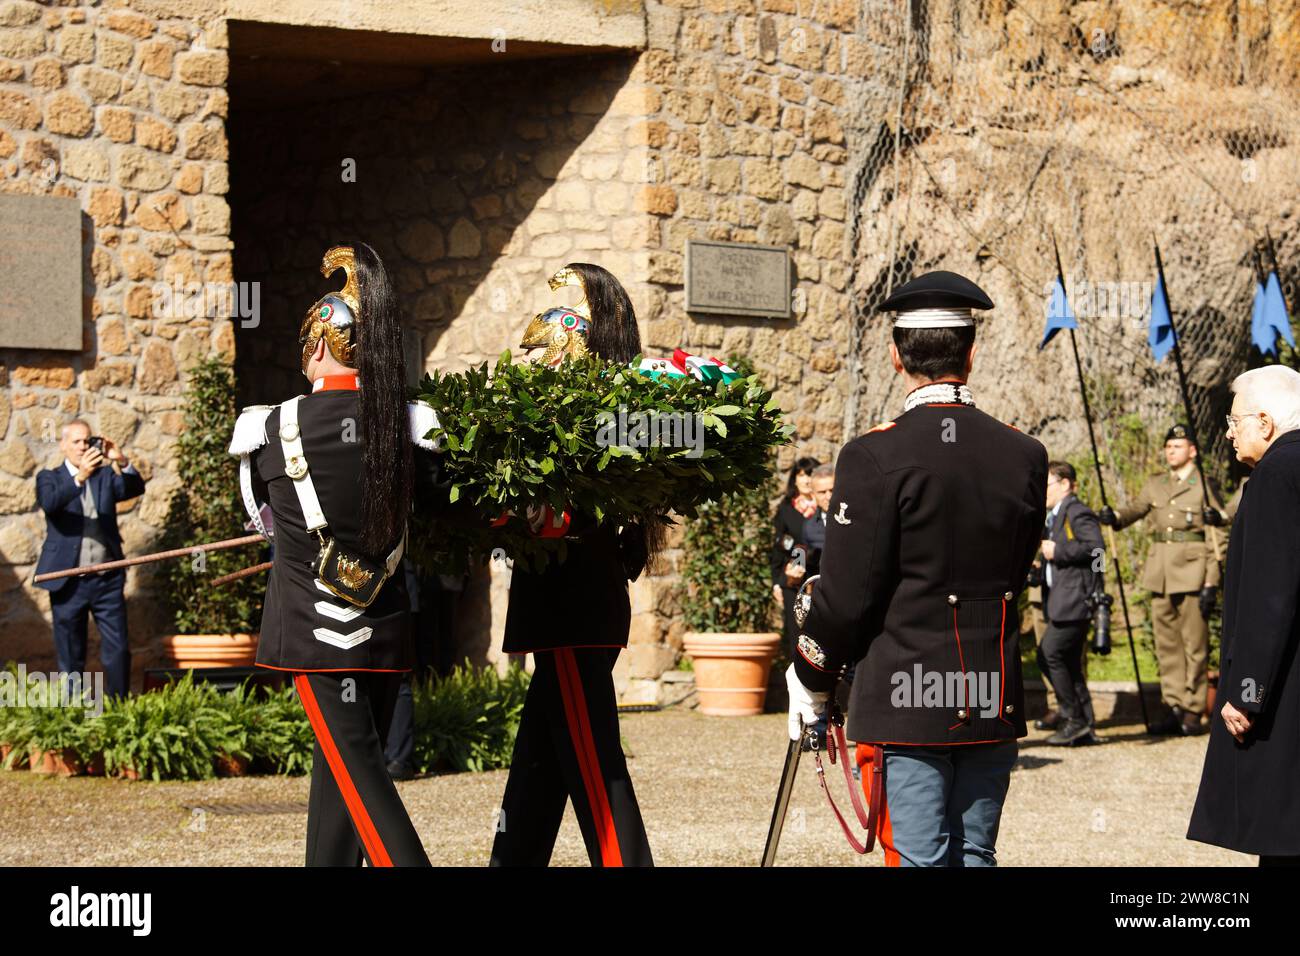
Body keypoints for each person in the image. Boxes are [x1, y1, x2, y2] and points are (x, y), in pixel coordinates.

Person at [786, 270, 1047, 867]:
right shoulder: (1024, 455)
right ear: (972, 353)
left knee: (920, 859)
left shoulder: (874, 454)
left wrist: (811, 677)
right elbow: (1017, 564)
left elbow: (848, 597)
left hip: (907, 697)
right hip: (989, 691)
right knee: (975, 855)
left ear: (896, 356)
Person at [228, 243, 436, 867]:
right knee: (338, 789)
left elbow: (265, 520)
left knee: (361, 782)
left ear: (317, 345)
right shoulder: (413, 426)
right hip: (383, 627)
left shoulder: (266, 430)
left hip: (315, 635)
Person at [489, 263, 654, 867]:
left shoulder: (602, 416)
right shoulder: (567, 409)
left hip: (574, 611)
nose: (548, 335)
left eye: (566, 318)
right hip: (560, 611)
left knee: (592, 761)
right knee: (538, 763)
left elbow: (570, 512)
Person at [1188, 365, 1300, 864]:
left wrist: (1246, 693)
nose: (1229, 432)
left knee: (1281, 831)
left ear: (1265, 421)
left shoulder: (1276, 474)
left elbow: (1269, 595)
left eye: (1234, 421)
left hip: (1284, 689)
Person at [1099, 424, 1227, 735]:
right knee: (1167, 645)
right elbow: (1136, 510)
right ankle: (1174, 704)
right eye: (1168, 447)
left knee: (1195, 646)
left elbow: (1217, 534)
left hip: (1194, 573)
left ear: (1192, 451)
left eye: (1177, 446)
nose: (1171, 451)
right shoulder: (1156, 484)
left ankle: (1195, 710)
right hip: (1160, 573)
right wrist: (1114, 518)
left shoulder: (1204, 485)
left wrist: (1212, 580)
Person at [35, 421, 146, 698]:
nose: (83, 446)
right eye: (76, 441)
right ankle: (74, 713)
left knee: (118, 647)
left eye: (87, 441)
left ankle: (119, 709)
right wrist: (79, 478)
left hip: (107, 580)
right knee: (72, 653)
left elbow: (134, 488)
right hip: (67, 581)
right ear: (63, 445)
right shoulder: (49, 477)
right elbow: (50, 503)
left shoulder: (104, 476)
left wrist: (121, 459)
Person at [1036, 461, 1103, 746]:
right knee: (1069, 662)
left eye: (1047, 485)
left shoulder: (1076, 511)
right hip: (1062, 599)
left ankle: (1072, 718)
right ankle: (1084, 723)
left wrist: (1059, 551)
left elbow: (1097, 548)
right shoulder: (1054, 515)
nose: (1043, 492)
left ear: (1064, 484)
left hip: (1075, 599)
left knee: (1048, 653)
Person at [771, 456, 820, 656]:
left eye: (810, 474)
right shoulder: (786, 510)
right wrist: (776, 582)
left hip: (821, 580)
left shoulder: (826, 507)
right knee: (797, 636)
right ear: (795, 480)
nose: (807, 480)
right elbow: (779, 547)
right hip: (794, 582)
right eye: (802, 475)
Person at [802, 463, 834, 576]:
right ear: (813, 494)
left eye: (832, 490)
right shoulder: (808, 527)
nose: (829, 497)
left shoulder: (857, 519)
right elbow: (802, 559)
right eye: (822, 492)